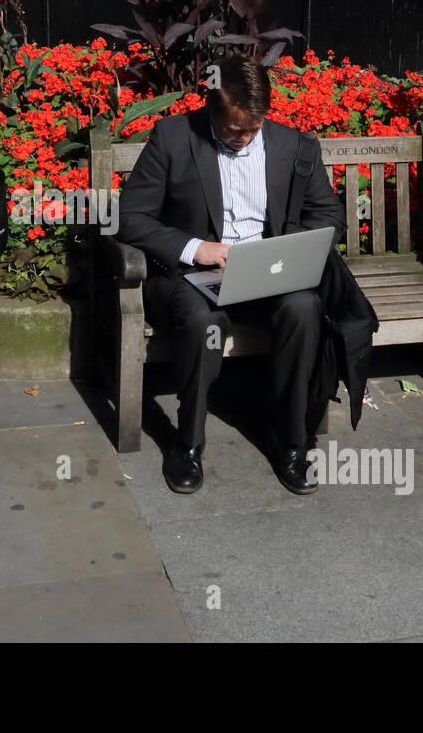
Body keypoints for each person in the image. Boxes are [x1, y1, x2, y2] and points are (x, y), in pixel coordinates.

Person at [116, 55, 348, 495]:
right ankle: (187, 443)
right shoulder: (172, 138)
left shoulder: (294, 145)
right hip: (192, 276)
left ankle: (292, 440)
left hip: (268, 272)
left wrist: (284, 249)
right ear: (210, 108)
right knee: (204, 323)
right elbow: (130, 217)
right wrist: (195, 248)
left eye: (253, 129)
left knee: (304, 308)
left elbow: (328, 214)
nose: (243, 138)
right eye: (232, 130)